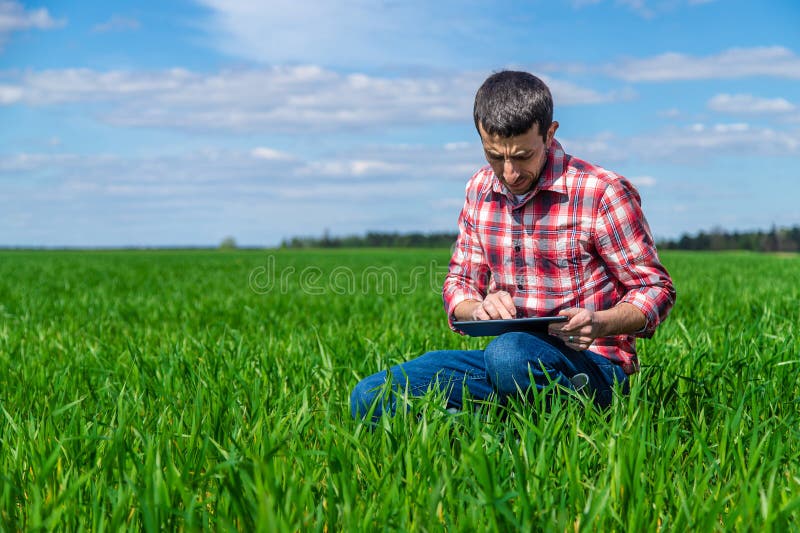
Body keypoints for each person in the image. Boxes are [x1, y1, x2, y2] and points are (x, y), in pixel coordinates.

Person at [350, 70, 675, 421]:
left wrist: (599, 322)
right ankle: (499, 427)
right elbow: (459, 284)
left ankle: (557, 424)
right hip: (507, 363)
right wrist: (477, 309)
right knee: (369, 395)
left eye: (522, 156)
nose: (509, 172)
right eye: (494, 155)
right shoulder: (479, 189)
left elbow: (655, 290)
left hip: (595, 365)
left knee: (509, 353)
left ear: (549, 135)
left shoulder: (603, 192)